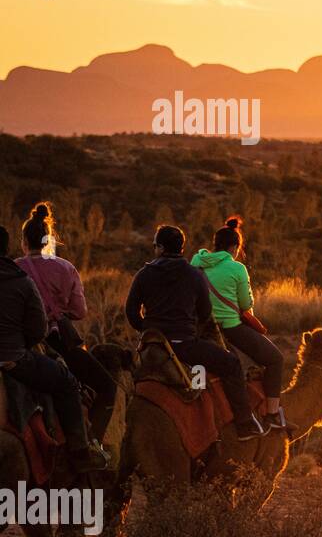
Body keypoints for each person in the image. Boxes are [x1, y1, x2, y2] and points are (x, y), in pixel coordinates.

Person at [124, 224, 265, 440]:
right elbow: (205, 312)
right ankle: (245, 424)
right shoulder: (194, 275)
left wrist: (148, 330)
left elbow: (131, 312)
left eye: (155, 246)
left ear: (161, 248)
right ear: (181, 248)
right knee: (232, 364)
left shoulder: (144, 274)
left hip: (151, 347)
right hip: (185, 346)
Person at [0, 225, 108, 473]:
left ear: (24, 241)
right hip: (15, 358)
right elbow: (38, 329)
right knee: (67, 383)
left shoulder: (23, 271)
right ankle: (80, 452)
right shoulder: (21, 281)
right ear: (8, 248)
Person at [15, 201, 118, 445]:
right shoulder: (66, 267)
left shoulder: (15, 268)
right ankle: (91, 445)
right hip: (57, 341)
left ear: (23, 240)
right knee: (107, 388)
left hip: (21, 343)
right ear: (48, 239)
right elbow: (80, 311)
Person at [191, 216, 291, 431]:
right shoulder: (237, 268)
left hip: (200, 329)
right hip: (229, 327)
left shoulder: (196, 262)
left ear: (215, 244)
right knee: (275, 359)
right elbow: (245, 304)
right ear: (235, 247)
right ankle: (272, 415)